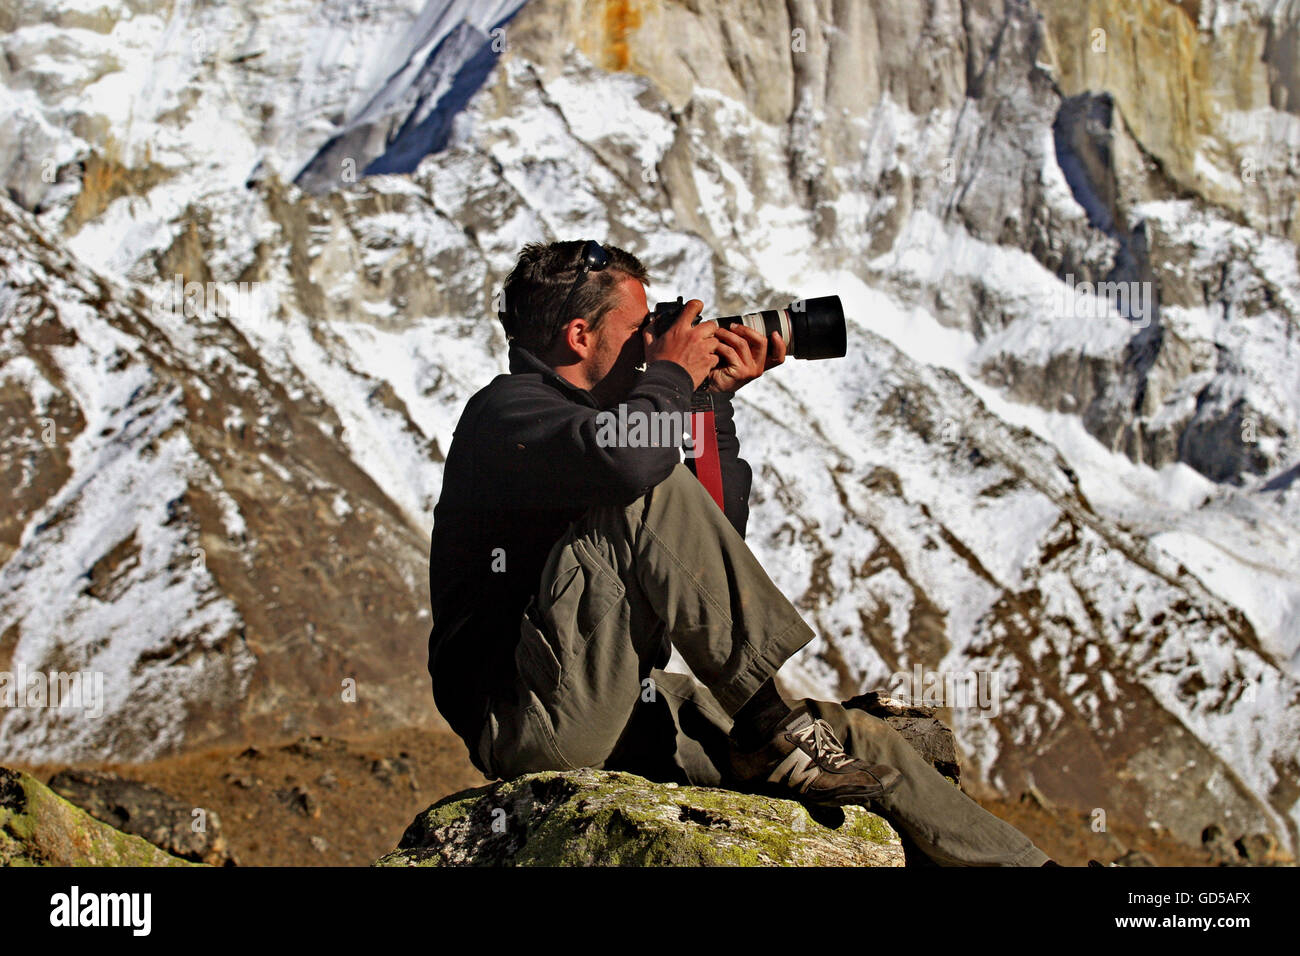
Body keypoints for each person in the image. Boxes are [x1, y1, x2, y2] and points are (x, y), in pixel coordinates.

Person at [426, 238, 1051, 866]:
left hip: (604, 704)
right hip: (527, 721)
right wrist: (672, 373)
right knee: (646, 482)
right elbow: (635, 470)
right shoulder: (505, 413)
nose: (653, 342)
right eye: (642, 327)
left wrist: (707, 401)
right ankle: (768, 728)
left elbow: (706, 540)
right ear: (580, 335)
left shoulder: (611, 435)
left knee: (855, 737)